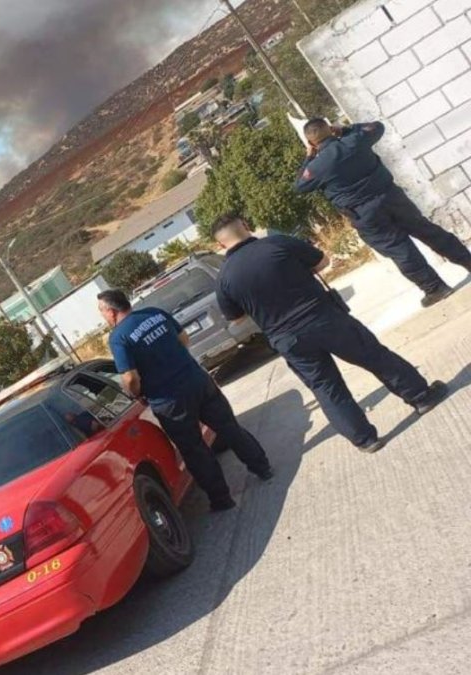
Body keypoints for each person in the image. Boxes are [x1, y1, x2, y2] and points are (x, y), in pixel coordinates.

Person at [210, 214, 448, 453]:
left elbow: (236, 318)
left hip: (288, 339)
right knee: (374, 357)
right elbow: (322, 262)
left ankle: (365, 440)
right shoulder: (278, 243)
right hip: (324, 318)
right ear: (246, 226)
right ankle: (421, 397)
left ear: (221, 244)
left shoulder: (224, 279)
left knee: (326, 388)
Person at [98, 288, 272, 512]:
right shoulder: (155, 313)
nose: (103, 316)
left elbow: (130, 378)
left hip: (170, 400)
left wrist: (136, 392)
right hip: (197, 381)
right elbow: (184, 339)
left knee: (195, 450)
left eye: (101, 311)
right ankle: (262, 467)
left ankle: (222, 499)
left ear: (111, 311)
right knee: (230, 428)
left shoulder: (119, 337)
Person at [294, 118, 471, 307]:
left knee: (400, 250)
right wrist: (345, 129)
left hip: (364, 214)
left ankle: (435, 288)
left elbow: (299, 185)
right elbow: (377, 127)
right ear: (330, 129)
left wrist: (309, 157)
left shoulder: (317, 167)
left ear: (311, 142)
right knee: (428, 231)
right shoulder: (355, 140)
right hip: (392, 197)